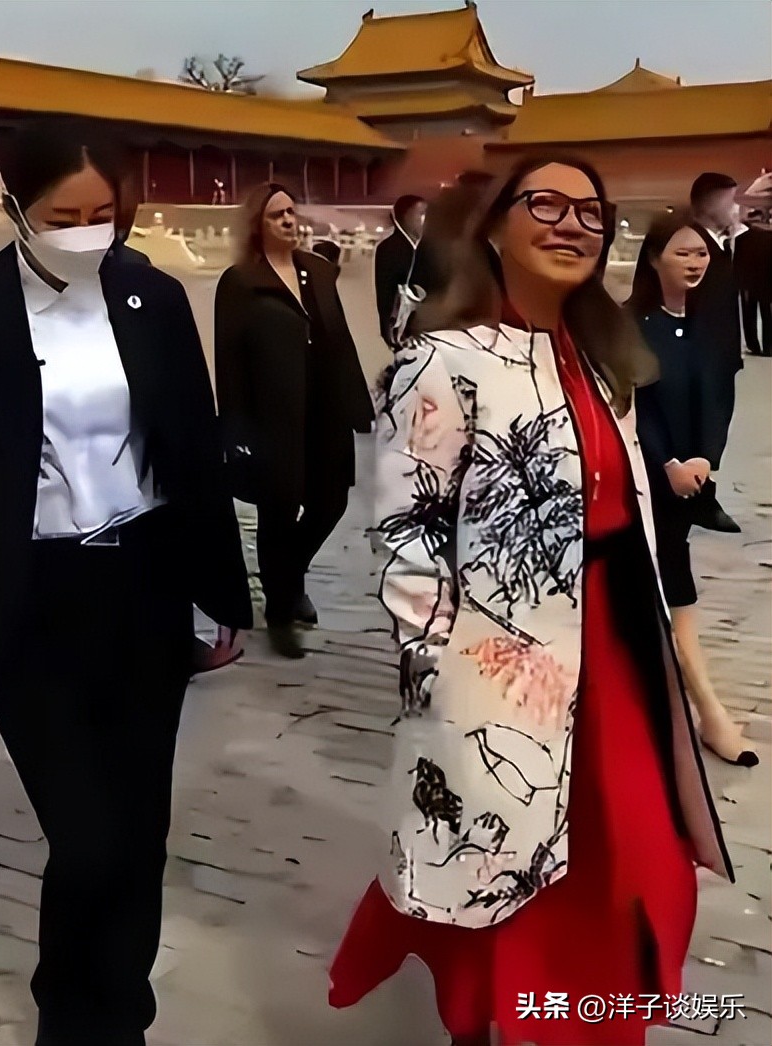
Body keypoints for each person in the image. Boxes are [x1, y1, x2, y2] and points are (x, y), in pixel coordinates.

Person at [329, 156, 732, 1046]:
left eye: (591, 211)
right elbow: (405, 531)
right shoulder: (441, 359)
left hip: (619, 642)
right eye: (544, 204)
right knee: (510, 860)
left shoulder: (602, 352)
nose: (572, 224)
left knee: (642, 860)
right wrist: (437, 669)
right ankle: (509, 1019)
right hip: (502, 665)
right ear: (498, 225)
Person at [0, 125, 251, 1046]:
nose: (89, 232)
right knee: (89, 836)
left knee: (140, 831)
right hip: (28, 597)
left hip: (139, 585)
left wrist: (224, 593)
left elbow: (192, 452)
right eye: (66, 217)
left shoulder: (153, 296)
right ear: (14, 206)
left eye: (106, 215)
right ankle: (68, 1005)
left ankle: (120, 1015)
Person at [215, 182, 374, 658]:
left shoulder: (318, 272)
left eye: (291, 212)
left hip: (325, 408)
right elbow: (229, 360)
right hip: (273, 416)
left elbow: (341, 339)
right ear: (256, 226)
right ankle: (282, 612)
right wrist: (236, 430)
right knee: (278, 513)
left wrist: (358, 404)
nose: (289, 221)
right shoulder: (241, 282)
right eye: (277, 215)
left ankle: (288, 579)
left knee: (331, 503)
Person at [627, 211, 759, 768]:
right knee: (665, 583)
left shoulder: (711, 324)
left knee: (674, 584)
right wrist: (668, 464)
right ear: (654, 258)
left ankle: (692, 702)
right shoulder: (632, 323)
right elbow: (634, 405)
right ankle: (707, 710)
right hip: (647, 481)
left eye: (701, 252)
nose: (694, 262)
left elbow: (721, 399)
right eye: (682, 253)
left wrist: (707, 457)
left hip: (691, 482)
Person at [687, 172, 744, 532]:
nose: (735, 208)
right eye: (730, 201)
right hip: (699, 356)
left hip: (719, 356)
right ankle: (699, 500)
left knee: (713, 429)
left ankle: (702, 495)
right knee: (699, 429)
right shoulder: (691, 245)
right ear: (711, 205)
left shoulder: (719, 244)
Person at [374, 194, 425, 343]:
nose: (426, 220)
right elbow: (384, 294)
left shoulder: (419, 248)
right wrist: (387, 328)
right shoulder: (390, 248)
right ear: (406, 217)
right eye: (421, 214)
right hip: (401, 329)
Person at [735, 207, 772, 357]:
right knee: (767, 314)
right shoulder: (770, 236)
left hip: (748, 282)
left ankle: (754, 345)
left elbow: (738, 261)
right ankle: (768, 346)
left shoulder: (742, 237)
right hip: (767, 281)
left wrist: (737, 281)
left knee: (749, 314)